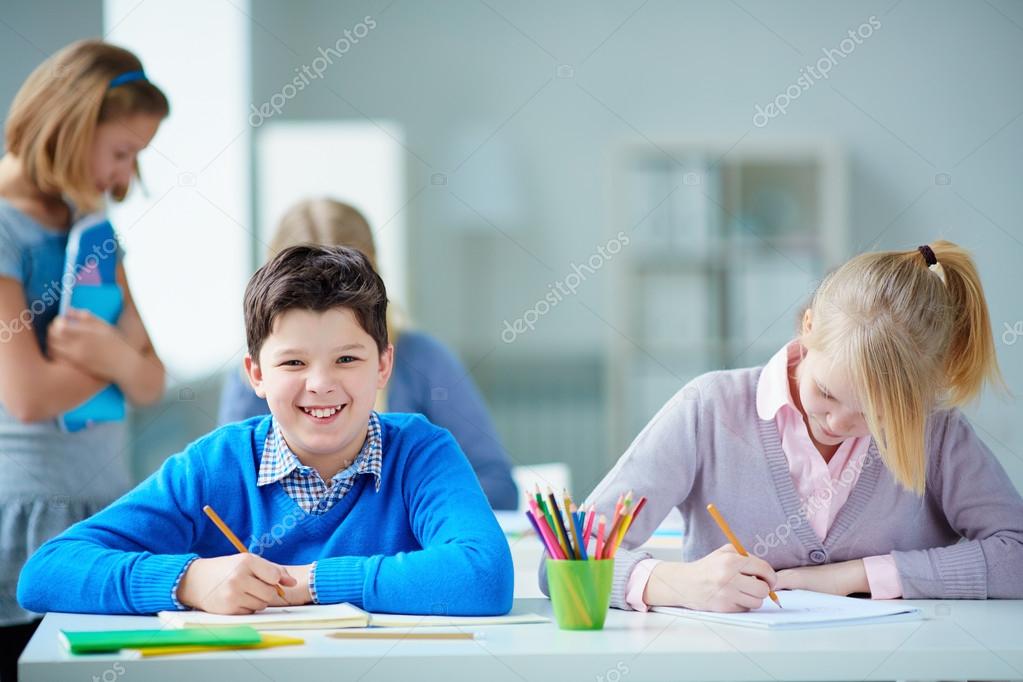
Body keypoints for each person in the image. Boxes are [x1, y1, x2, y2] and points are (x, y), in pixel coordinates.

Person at [18, 245, 513, 617]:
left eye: (347, 359)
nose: (321, 384)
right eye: (293, 361)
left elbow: (484, 576)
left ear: (383, 366)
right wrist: (187, 580)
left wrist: (309, 582)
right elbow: (46, 572)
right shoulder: (216, 464)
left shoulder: (421, 452)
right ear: (255, 374)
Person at [542, 241, 1023, 612]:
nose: (838, 423)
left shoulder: (935, 429)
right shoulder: (709, 409)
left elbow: (1015, 556)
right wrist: (676, 584)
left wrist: (858, 575)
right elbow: (562, 560)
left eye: (876, 416)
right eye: (828, 394)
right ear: (807, 326)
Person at [0, 40, 167, 678]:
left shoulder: (91, 230)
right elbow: (27, 396)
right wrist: (119, 359)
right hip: (23, 521)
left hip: (103, 512)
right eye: (122, 153)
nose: (125, 179)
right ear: (72, 126)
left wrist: (108, 355)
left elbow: (152, 379)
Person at [218, 198, 518, 509]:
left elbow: (495, 482)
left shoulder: (424, 360)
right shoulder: (248, 388)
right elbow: (233, 493)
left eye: (345, 282)